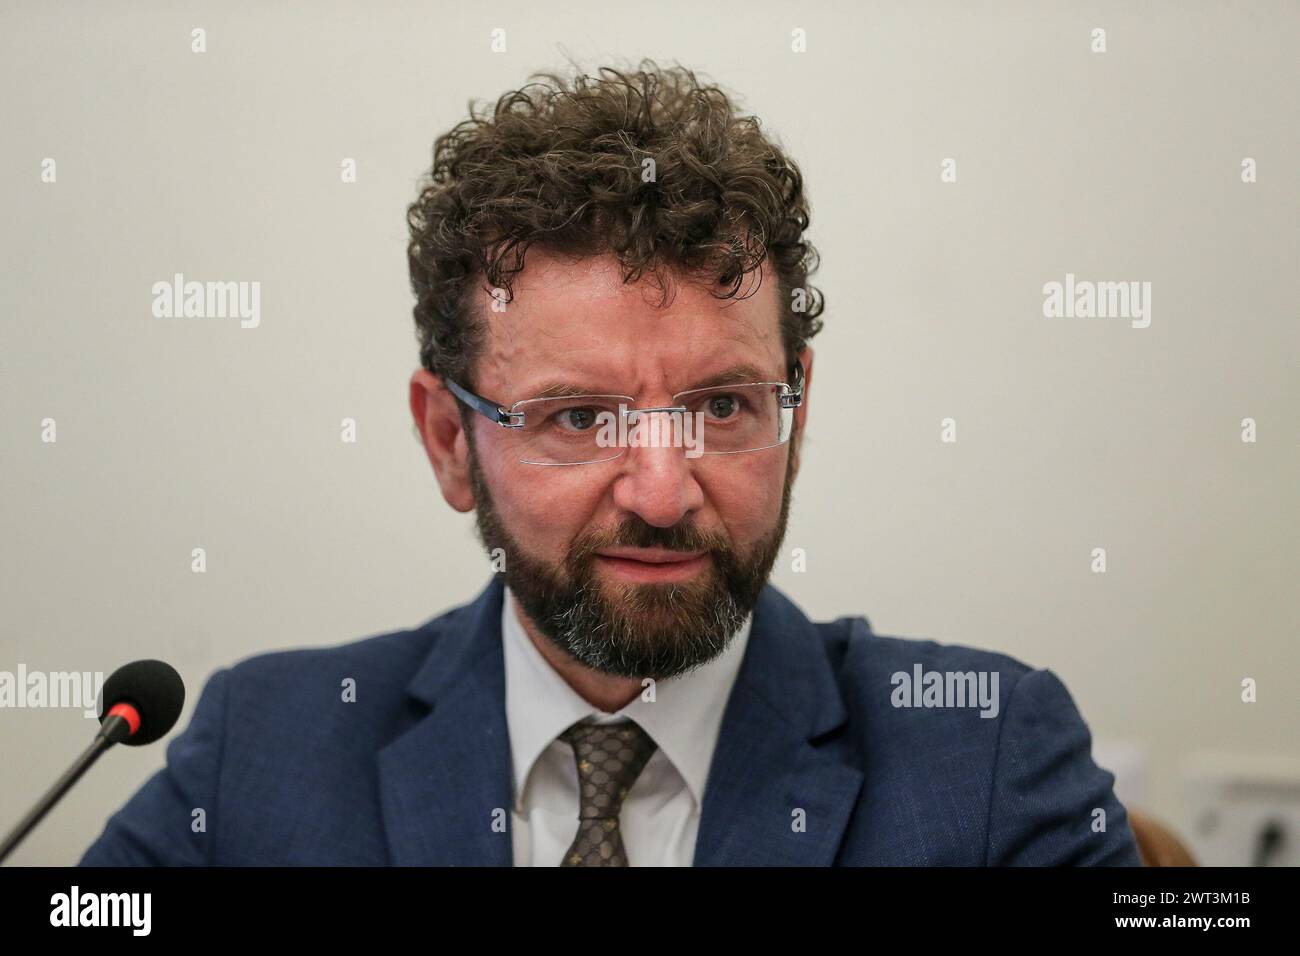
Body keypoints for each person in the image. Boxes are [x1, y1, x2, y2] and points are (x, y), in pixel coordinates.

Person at [80, 60, 1140, 866]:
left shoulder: (985, 756)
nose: (663, 489)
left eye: (723, 405)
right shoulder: (264, 748)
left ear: (798, 410)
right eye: (579, 416)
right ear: (450, 440)